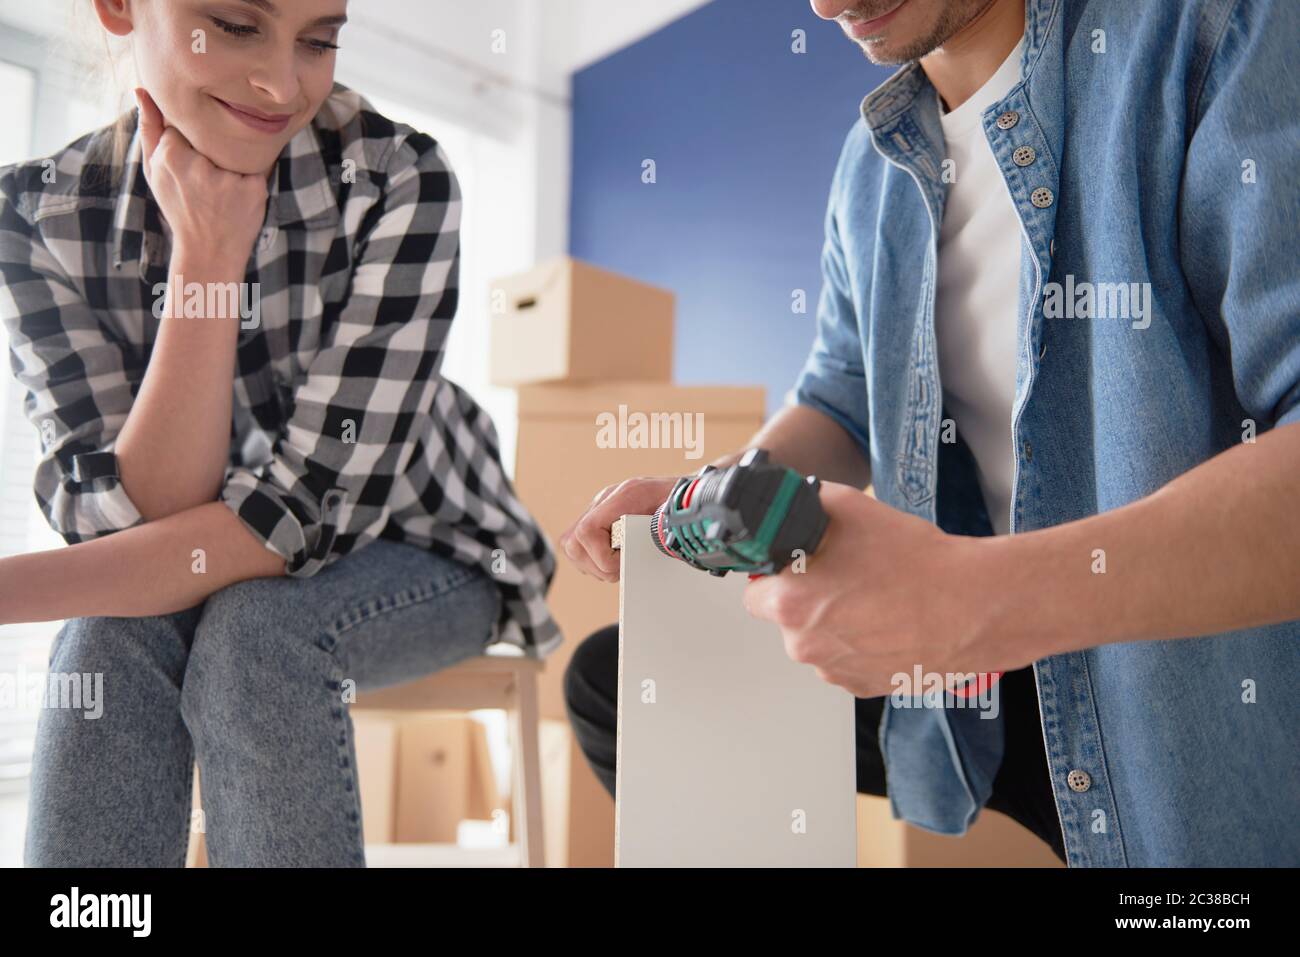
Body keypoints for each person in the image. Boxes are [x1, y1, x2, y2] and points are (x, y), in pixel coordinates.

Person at [560, 0, 1300, 867]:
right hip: (968, 671)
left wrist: (983, 601)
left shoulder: (1218, 35)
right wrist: (717, 492)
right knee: (623, 678)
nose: (827, 4)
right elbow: (840, 400)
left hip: (1174, 676)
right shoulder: (869, 166)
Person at [0, 0, 558, 867]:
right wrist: (206, 260)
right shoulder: (37, 215)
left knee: (256, 638)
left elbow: (296, 515)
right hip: (204, 572)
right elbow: (134, 531)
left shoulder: (399, 176)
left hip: (431, 546)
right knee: (106, 634)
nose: (282, 83)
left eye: (321, 40)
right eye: (232, 24)